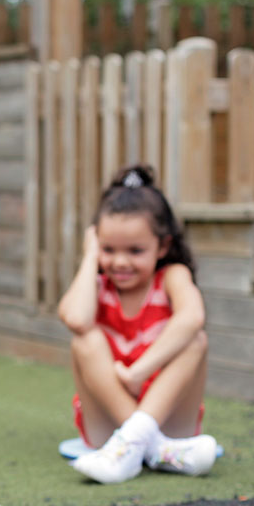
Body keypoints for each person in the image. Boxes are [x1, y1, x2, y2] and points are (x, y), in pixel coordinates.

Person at [57, 165, 218, 485]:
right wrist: (90, 257)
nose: (119, 262)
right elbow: (75, 319)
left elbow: (192, 317)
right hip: (107, 427)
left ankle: (136, 442)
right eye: (108, 249)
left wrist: (138, 372)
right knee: (84, 340)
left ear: (162, 246)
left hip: (171, 417)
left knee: (195, 339)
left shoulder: (171, 276)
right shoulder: (98, 284)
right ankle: (155, 448)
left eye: (135, 250)